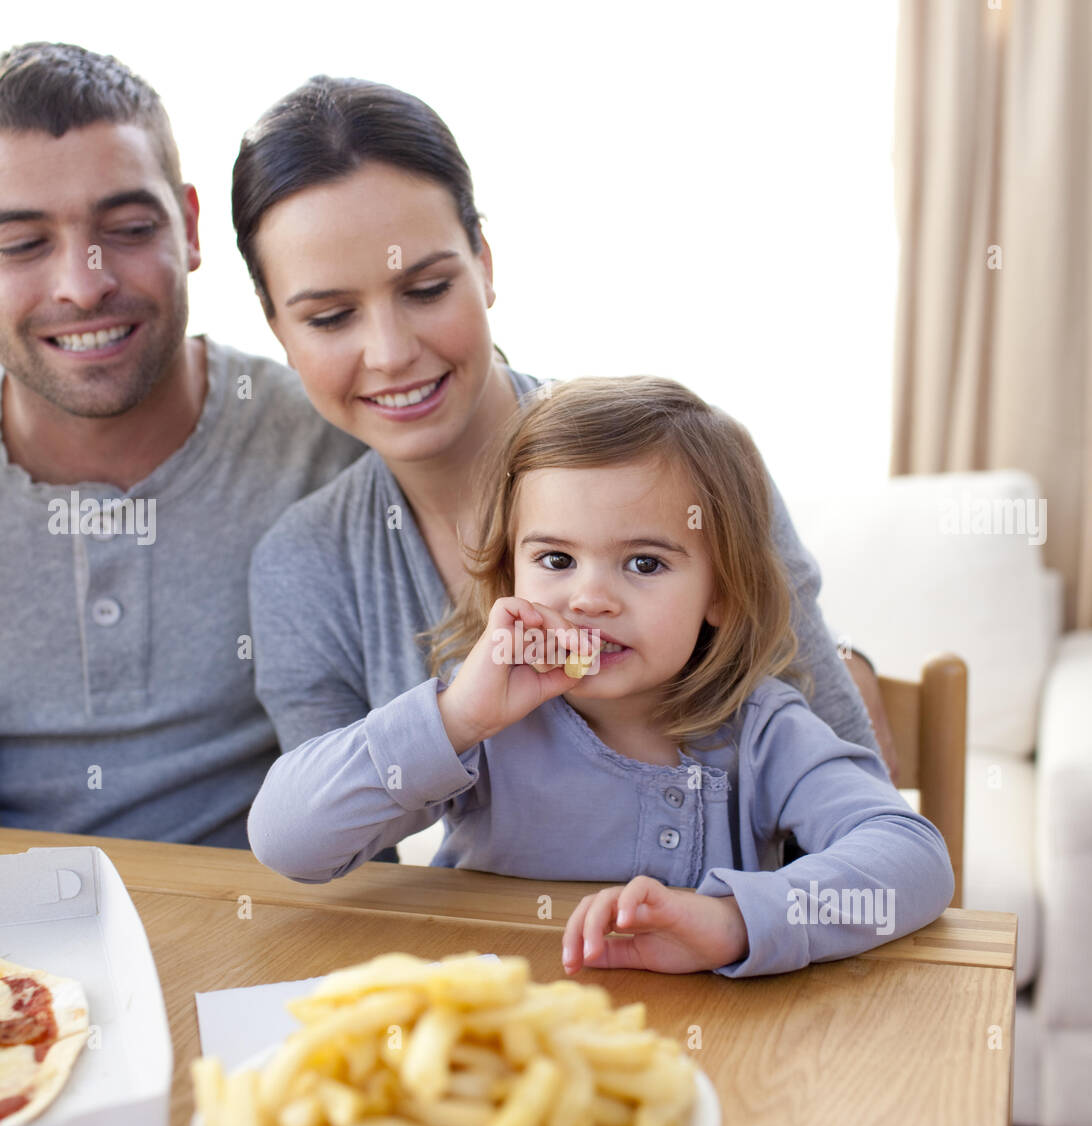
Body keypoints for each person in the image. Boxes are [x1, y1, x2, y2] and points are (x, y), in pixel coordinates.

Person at [237, 76, 899, 858]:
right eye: (330, 316)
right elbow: (322, 853)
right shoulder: (306, 563)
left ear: (484, 263)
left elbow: (861, 817)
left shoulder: (681, 469)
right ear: (276, 325)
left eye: (427, 287)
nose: (389, 352)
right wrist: (454, 717)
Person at [248, 377, 953, 977]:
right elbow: (287, 841)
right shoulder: (484, 722)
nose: (589, 598)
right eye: (556, 560)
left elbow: (913, 861)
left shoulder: (763, 731)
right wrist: (457, 718)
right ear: (508, 578)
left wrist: (735, 920)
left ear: (723, 594)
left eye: (644, 563)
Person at [0, 43, 362, 846]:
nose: (83, 283)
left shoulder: (332, 438)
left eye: (127, 228)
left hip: (266, 946)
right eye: (22, 245)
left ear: (191, 228)